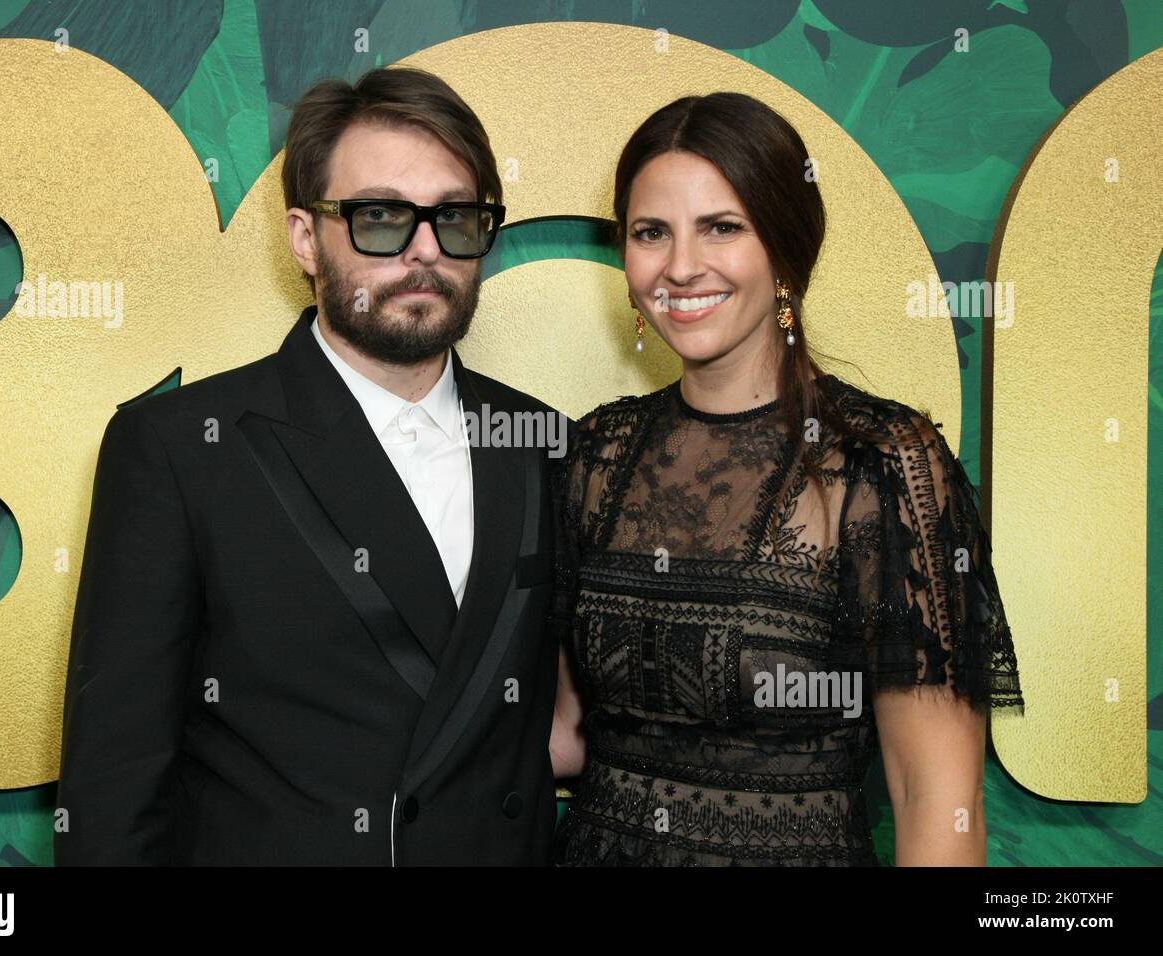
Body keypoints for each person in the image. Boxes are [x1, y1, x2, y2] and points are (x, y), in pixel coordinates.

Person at [55, 66, 564, 865]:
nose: (425, 250)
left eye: (456, 218)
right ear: (304, 237)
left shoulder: (544, 441)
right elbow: (114, 780)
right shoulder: (180, 447)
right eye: (381, 217)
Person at [548, 92, 1025, 866]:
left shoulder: (881, 459)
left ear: (785, 248)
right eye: (650, 233)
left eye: (722, 227)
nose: (679, 267)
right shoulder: (596, 452)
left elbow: (934, 797)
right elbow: (566, 736)